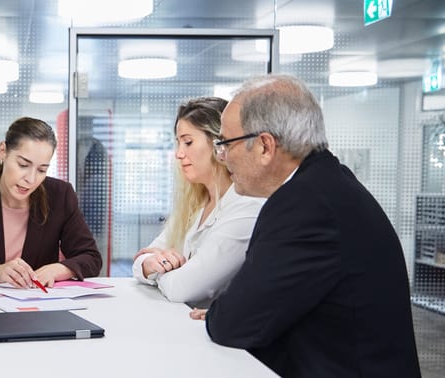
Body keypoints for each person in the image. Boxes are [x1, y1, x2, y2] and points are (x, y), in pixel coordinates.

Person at [196, 74, 421, 377]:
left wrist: (224, 312)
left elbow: (233, 323)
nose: (222, 158)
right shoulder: (326, 185)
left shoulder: (303, 205)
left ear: (265, 146)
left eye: (225, 144)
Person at [0, 117, 102, 288]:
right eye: (23, 165)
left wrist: (58, 269)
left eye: (41, 170)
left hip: (39, 300)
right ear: (3, 151)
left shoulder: (60, 195)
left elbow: (91, 258)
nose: (31, 179)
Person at [132, 97, 264, 308]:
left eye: (188, 142)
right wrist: (149, 264)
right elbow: (143, 260)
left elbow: (183, 289)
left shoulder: (247, 206)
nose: (179, 154)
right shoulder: (195, 204)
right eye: (178, 143)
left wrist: (158, 271)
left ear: (220, 143)